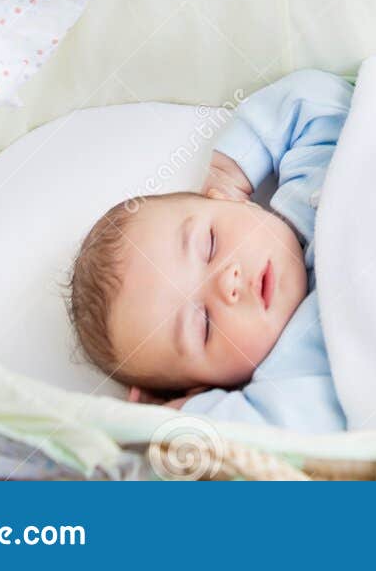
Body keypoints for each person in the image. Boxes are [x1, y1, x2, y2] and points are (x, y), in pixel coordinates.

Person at [69, 70, 352, 430]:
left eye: (209, 244)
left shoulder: (310, 191)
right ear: (209, 385)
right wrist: (178, 415)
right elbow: (247, 438)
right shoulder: (294, 374)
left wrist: (229, 171)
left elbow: (311, 101)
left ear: (227, 202)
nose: (228, 283)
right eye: (203, 325)